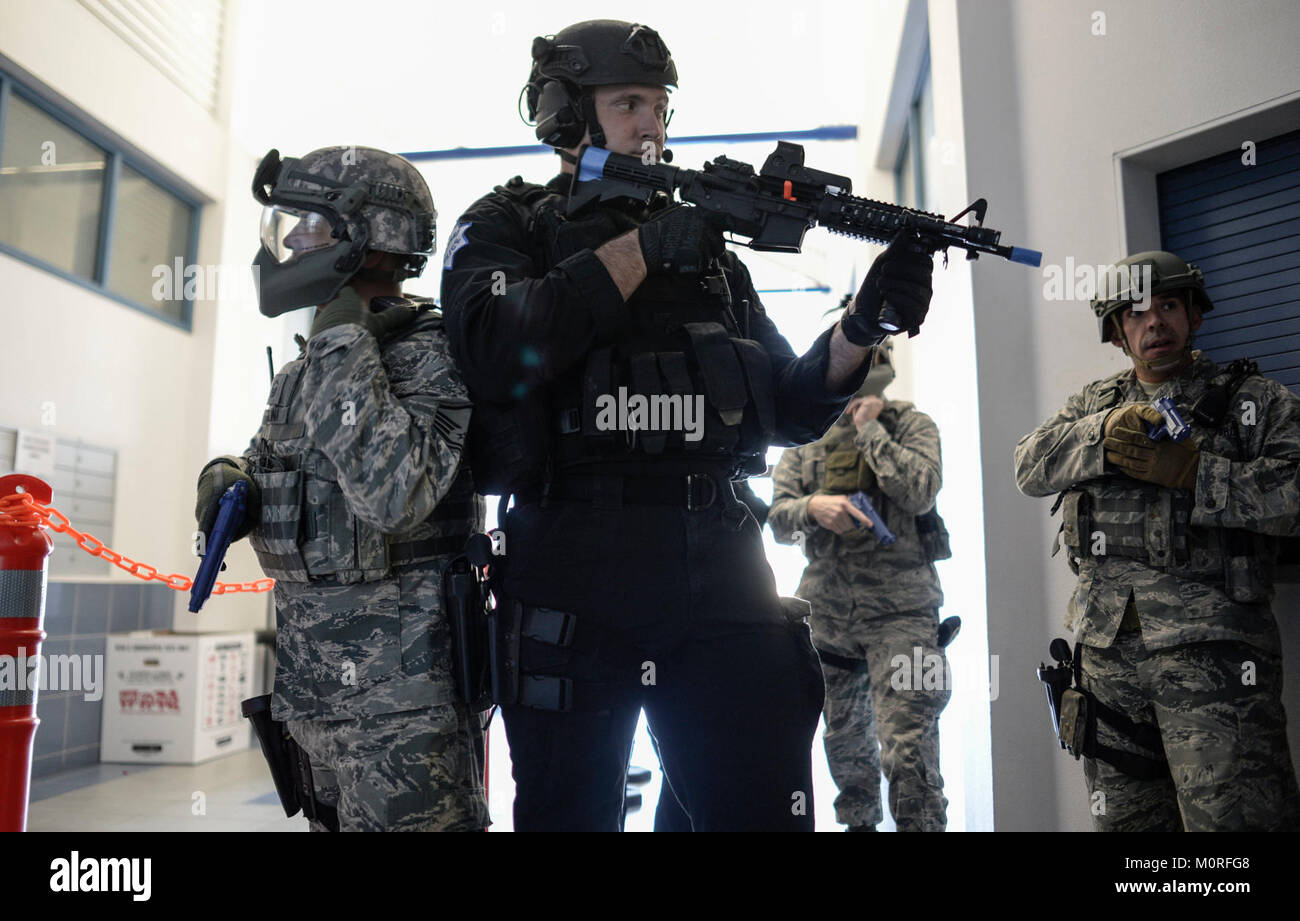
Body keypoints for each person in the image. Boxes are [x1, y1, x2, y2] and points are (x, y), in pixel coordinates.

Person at [440, 19, 935, 831]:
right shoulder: (509, 224)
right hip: (571, 564)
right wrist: (641, 250)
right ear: (566, 114)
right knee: (569, 816)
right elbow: (499, 347)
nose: (652, 126)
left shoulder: (711, 260)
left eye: (660, 106)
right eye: (629, 103)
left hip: (718, 562)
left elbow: (790, 404)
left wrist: (862, 323)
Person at [194, 146, 490, 831]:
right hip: (313, 699)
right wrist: (228, 475)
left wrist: (340, 347)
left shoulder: (432, 351)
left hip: (406, 709)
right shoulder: (308, 366)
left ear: (375, 235)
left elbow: (394, 493)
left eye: (309, 223)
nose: (292, 239)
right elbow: (275, 460)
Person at [1014, 250, 1300, 831]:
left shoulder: (1253, 402)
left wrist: (1198, 474)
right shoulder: (1093, 405)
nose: (1155, 323)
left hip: (1214, 662)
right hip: (1107, 658)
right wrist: (1099, 436)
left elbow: (1295, 494)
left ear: (1193, 315)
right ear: (1117, 333)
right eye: (1136, 313)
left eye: (1168, 306)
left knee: (1233, 828)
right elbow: (1029, 467)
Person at [770, 342, 952, 832]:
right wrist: (813, 508)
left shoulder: (912, 426)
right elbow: (777, 521)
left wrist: (871, 430)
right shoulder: (805, 437)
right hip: (828, 616)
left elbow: (919, 491)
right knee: (846, 754)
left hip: (903, 613)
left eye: (874, 357)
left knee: (910, 753)